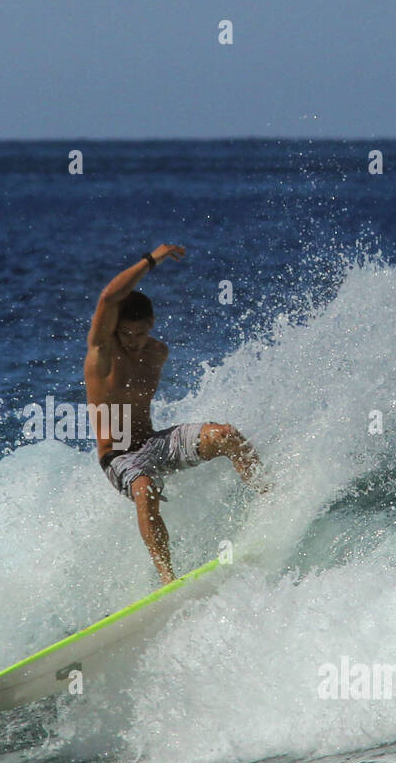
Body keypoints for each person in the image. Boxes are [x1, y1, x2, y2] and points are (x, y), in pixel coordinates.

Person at [84, 244, 267, 585]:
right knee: (145, 487)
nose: (134, 341)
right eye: (126, 333)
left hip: (154, 444)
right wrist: (153, 259)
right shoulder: (103, 352)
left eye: (140, 333)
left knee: (227, 435)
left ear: (152, 324)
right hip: (119, 455)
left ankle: (272, 502)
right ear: (114, 330)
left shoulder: (157, 352)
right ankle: (169, 579)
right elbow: (109, 298)